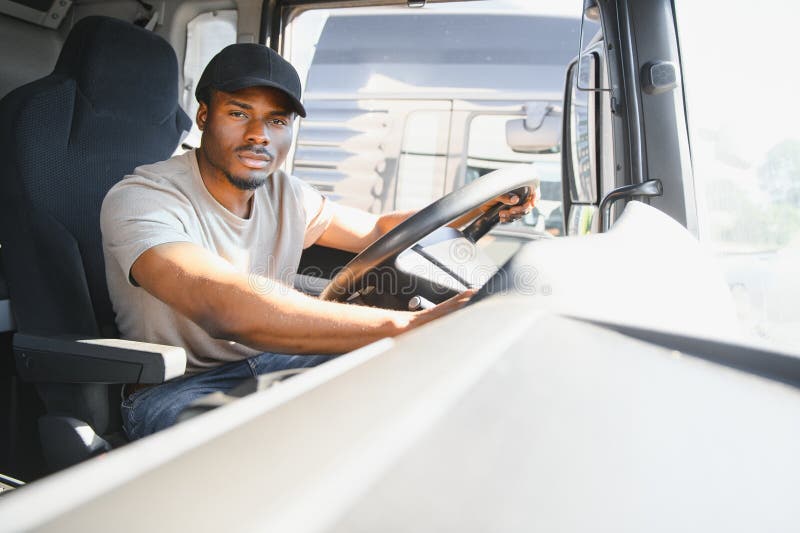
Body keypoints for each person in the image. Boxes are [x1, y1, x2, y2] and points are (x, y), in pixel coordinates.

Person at [100, 43, 534, 439]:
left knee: (415, 388)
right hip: (176, 390)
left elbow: (378, 231)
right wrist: (405, 326)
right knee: (308, 439)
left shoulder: (285, 192)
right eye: (238, 113)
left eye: (277, 120)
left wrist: (480, 205)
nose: (259, 134)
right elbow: (222, 306)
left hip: (270, 359)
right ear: (203, 116)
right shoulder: (143, 198)